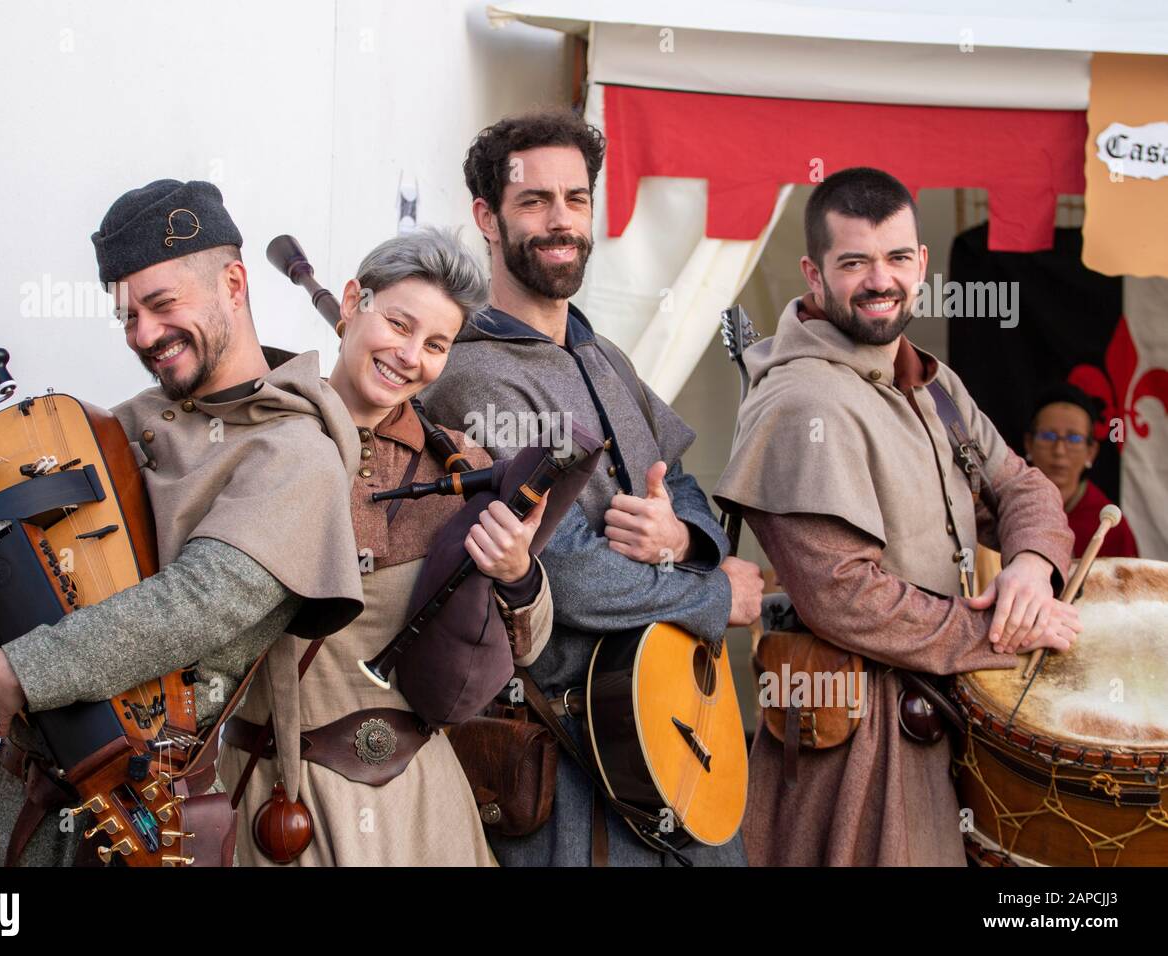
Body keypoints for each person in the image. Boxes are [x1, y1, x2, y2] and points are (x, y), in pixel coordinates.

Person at [0, 179, 366, 866]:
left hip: (134, 826)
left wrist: (16, 673)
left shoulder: (296, 456)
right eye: (128, 317)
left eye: (162, 305)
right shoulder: (119, 424)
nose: (144, 335)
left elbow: (190, 607)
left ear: (233, 282)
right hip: (11, 806)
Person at [422, 110, 765, 867]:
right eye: (534, 201)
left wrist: (681, 537)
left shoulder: (603, 352)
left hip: (677, 721)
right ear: (486, 216)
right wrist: (714, 595)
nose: (560, 221)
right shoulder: (472, 376)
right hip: (573, 750)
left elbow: (681, 484)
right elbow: (566, 573)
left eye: (575, 200)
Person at [714, 167, 1081, 866]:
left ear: (920, 265)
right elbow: (846, 598)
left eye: (897, 258)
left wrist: (1031, 571)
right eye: (854, 262)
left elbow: (1021, 487)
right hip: (860, 742)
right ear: (814, 275)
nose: (880, 279)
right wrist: (1002, 633)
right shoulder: (801, 403)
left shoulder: (934, 384)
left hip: (947, 710)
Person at [217, 227, 554, 866]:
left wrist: (518, 572)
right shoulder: (260, 437)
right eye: (398, 324)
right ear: (351, 303)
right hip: (276, 803)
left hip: (419, 810)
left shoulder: (464, 467)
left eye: (436, 344)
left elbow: (527, 646)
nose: (410, 355)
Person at [1023, 384, 1138, 558]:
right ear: (1029, 444)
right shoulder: (1007, 509)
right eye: (1048, 436)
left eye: (1074, 438)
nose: (1059, 451)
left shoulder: (1109, 526)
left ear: (1091, 452)